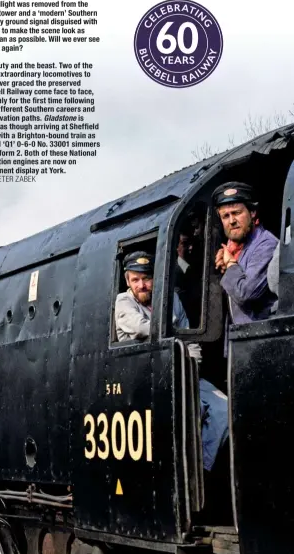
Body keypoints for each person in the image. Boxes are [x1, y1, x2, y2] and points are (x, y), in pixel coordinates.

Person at [115, 251, 228, 473]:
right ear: (128, 281)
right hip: (147, 381)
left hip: (182, 373)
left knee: (223, 408)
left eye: (146, 279)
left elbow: (190, 338)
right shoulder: (123, 302)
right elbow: (142, 328)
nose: (142, 285)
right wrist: (175, 336)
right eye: (136, 280)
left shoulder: (172, 299)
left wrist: (191, 367)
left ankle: (201, 467)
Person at [213, 182, 279, 324]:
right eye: (225, 216)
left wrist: (231, 264)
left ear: (252, 212)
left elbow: (246, 294)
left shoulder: (266, 245)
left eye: (237, 213)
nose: (232, 221)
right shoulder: (234, 249)